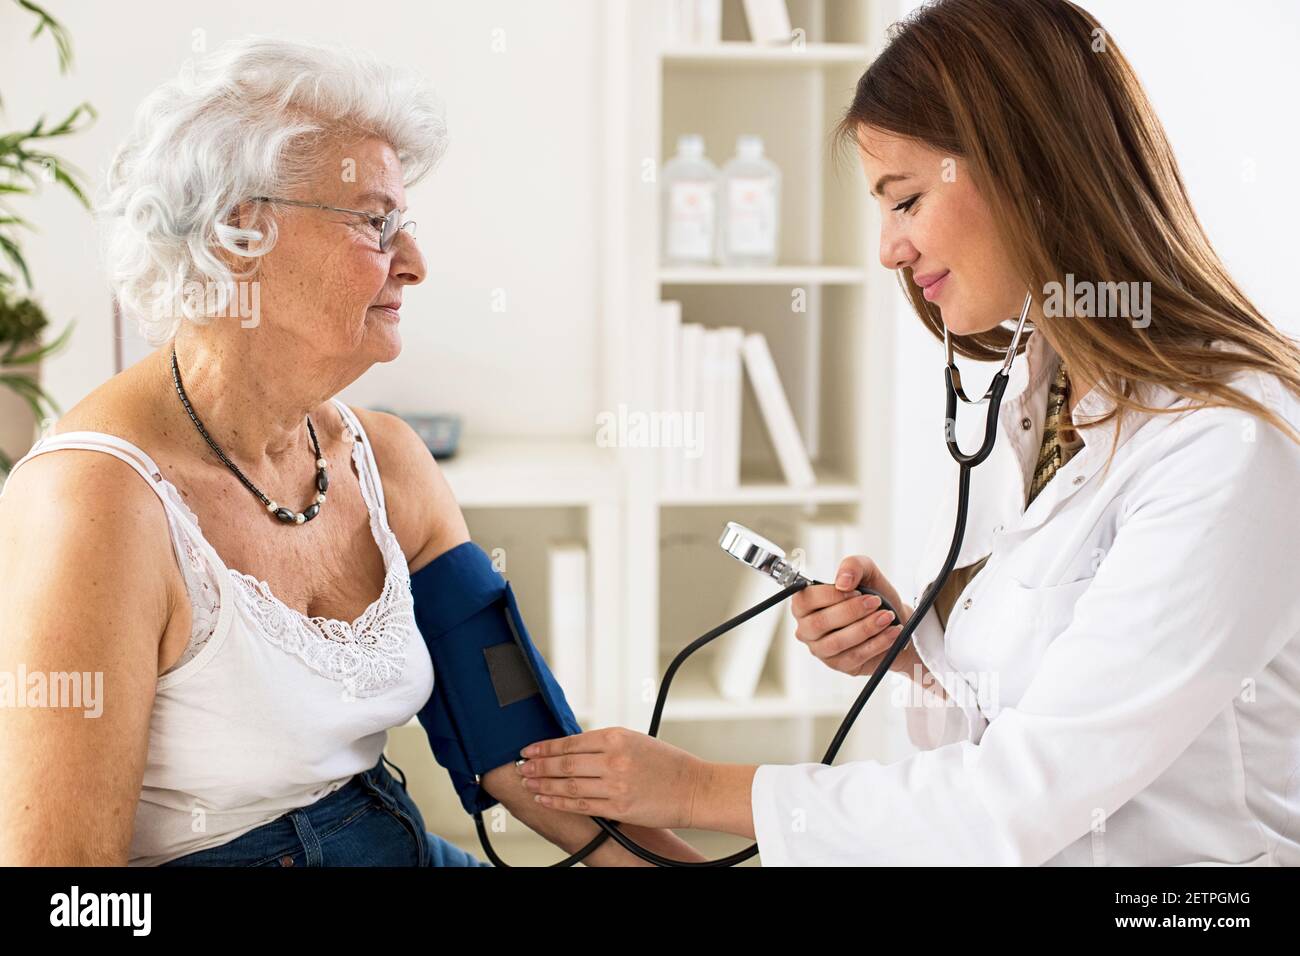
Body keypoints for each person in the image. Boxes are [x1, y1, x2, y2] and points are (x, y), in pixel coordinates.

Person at [515, 0, 1300, 866]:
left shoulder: (1227, 447)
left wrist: (697, 788)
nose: (889, 249)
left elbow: (1019, 794)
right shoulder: (1035, 398)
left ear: (1030, 171)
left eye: (908, 200)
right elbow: (1013, 722)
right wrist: (917, 651)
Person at [0, 35, 700, 867]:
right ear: (236, 234)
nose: (416, 264)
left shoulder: (389, 462)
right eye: (376, 223)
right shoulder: (96, 503)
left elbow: (522, 749)